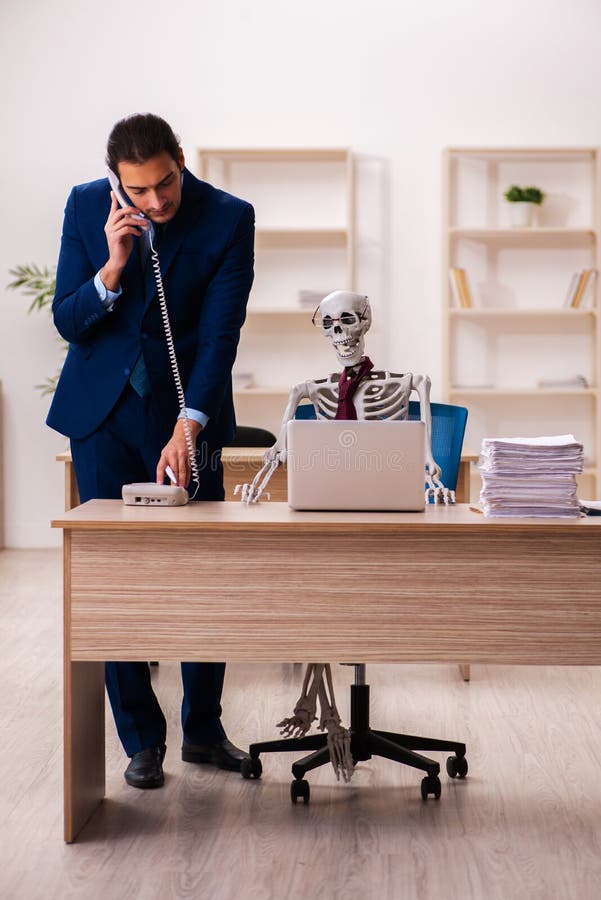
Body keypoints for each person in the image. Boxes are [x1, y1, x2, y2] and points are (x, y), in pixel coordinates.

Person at [47, 113, 255, 789]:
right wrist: (111, 266)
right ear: (117, 184)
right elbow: (68, 320)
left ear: (180, 159)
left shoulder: (227, 218)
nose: (157, 201)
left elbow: (220, 334)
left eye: (165, 183)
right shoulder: (85, 206)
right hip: (102, 419)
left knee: (208, 577)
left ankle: (203, 731)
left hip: (184, 416)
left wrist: (191, 422)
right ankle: (140, 740)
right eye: (139, 190)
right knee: (115, 584)